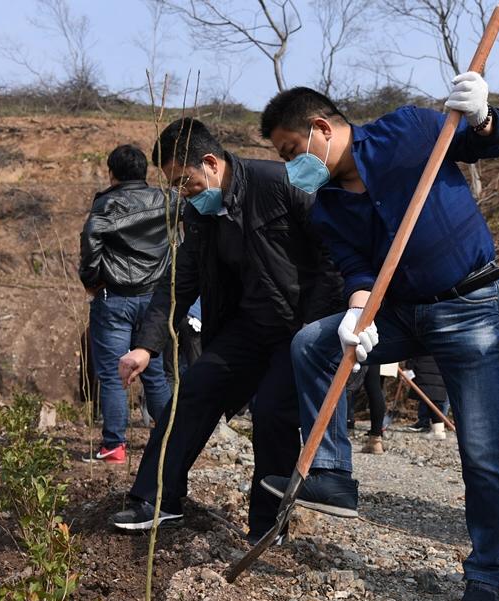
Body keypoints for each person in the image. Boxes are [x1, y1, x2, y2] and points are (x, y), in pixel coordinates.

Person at [259, 73, 499, 601]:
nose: (289, 165)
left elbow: (485, 143)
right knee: (313, 343)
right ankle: (332, 474)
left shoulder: (410, 129)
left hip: (471, 306)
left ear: (321, 129)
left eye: (290, 150)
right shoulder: (326, 205)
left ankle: (486, 573)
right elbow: (355, 267)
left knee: (482, 450)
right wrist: (356, 309)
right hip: (399, 313)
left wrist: (483, 116)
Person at [111, 118, 344, 543]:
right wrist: (146, 346)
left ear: (212, 163)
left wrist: (319, 323)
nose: (183, 192)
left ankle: (267, 526)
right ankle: (157, 500)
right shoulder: (199, 215)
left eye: (186, 181)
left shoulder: (277, 184)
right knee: (195, 388)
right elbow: (179, 283)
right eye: (175, 185)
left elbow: (333, 250)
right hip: (247, 327)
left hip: (299, 327)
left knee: (273, 411)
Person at [78, 144, 174, 464]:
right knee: (154, 374)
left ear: (112, 174)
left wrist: (92, 284)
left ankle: (114, 446)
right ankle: (168, 441)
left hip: (114, 299)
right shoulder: (166, 200)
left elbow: (90, 250)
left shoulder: (105, 206)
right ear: (144, 172)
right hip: (155, 300)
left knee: (113, 374)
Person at [404, 356, 451, 440]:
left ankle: (437, 431)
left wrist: (409, 366)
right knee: (435, 396)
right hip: (440, 364)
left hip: (425, 363)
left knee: (431, 396)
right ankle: (437, 429)